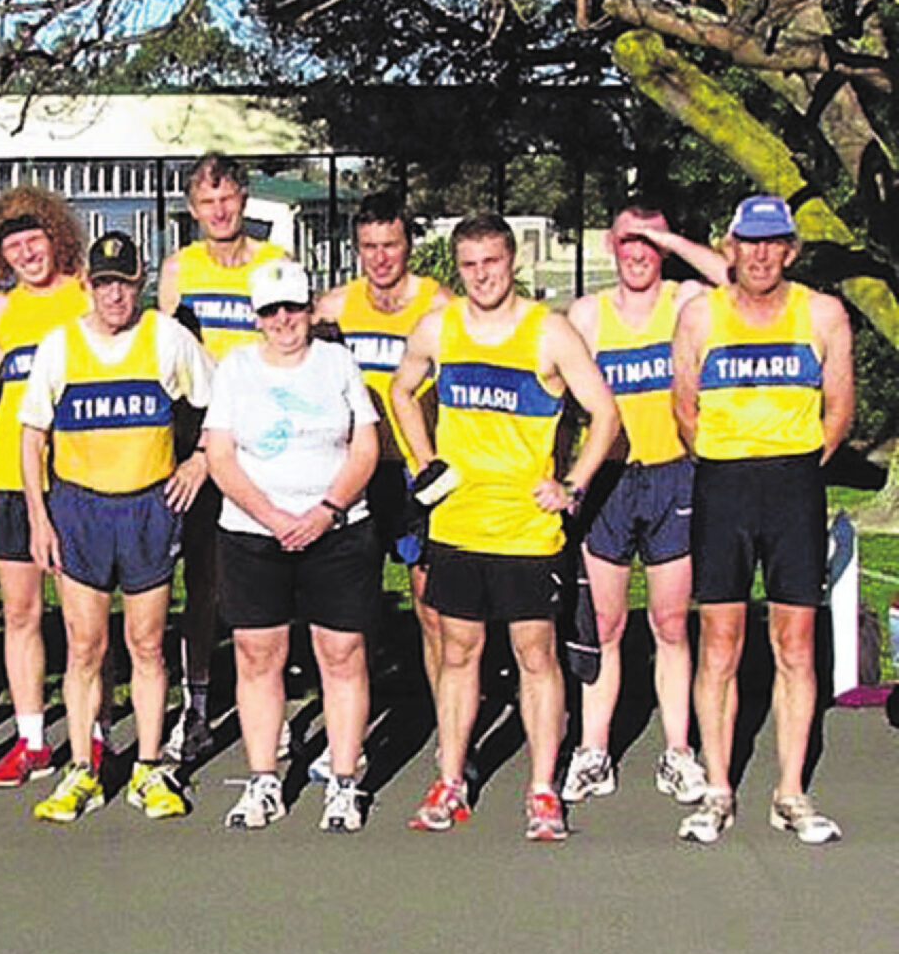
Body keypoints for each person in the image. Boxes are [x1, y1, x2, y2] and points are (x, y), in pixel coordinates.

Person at [391, 214, 620, 841]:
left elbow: (604, 413)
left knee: (535, 657)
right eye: (468, 265)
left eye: (491, 261)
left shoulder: (549, 333)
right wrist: (423, 464)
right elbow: (401, 390)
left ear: (511, 261)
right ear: (456, 268)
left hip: (527, 531)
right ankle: (450, 779)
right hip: (459, 526)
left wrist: (572, 484)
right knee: (458, 654)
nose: (481, 275)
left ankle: (543, 790)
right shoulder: (440, 328)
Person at [671, 195, 853, 845]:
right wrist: (728, 459)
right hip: (723, 485)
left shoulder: (822, 314)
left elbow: (839, 411)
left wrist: (795, 465)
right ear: (731, 246)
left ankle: (790, 791)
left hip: (793, 487)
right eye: (750, 242)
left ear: (791, 251)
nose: (761, 254)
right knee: (719, 641)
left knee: (795, 643)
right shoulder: (700, 316)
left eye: (774, 242)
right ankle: (717, 788)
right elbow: (685, 408)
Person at [21, 231, 213, 823]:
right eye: (103, 283)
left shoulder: (167, 339)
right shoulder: (60, 346)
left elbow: (220, 401)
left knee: (147, 644)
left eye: (124, 283)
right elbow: (32, 437)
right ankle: (82, 769)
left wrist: (200, 461)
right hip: (79, 510)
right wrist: (39, 518)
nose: (114, 295)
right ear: (88, 286)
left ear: (139, 282)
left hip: (147, 509)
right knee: (84, 646)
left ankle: (149, 768)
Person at [561, 204, 727, 806]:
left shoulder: (683, 303)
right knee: (604, 624)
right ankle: (593, 751)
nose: (637, 253)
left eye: (647, 243)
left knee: (669, 623)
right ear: (609, 243)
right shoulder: (588, 314)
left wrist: (670, 237)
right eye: (627, 241)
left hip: (672, 476)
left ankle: (678, 752)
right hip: (608, 481)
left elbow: (731, 279)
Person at [208, 259, 380, 833]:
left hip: (337, 529)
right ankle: (262, 781)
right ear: (256, 317)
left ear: (309, 309)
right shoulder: (234, 369)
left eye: (293, 308)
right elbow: (221, 456)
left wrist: (326, 511)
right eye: (271, 310)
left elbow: (364, 446)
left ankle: (345, 781)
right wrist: (274, 516)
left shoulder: (337, 362)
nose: (284, 320)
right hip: (255, 534)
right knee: (258, 656)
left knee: (341, 654)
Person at [315, 189, 453, 780]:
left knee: (434, 610)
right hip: (357, 473)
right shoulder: (334, 307)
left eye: (390, 245)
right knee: (350, 615)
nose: (380, 258)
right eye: (368, 247)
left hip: (419, 473)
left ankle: (453, 739)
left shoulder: (438, 305)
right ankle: (349, 738)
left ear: (408, 245)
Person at [157, 151, 287, 762]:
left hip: (269, 447)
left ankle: (275, 706)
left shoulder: (274, 264)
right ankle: (199, 707)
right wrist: (204, 448)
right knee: (204, 581)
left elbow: (290, 352)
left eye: (228, 199)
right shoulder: (178, 269)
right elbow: (169, 367)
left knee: (274, 579)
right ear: (193, 208)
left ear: (244, 198)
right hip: (203, 448)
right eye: (207, 203)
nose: (219, 210)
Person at [0, 187, 92, 787]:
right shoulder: (1, 312)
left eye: (34, 239)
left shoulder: (86, 292)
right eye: (13, 245)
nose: (26, 253)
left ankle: (88, 737)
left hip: (77, 475)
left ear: (55, 237)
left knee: (82, 618)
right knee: (20, 613)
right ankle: (31, 741)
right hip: (11, 482)